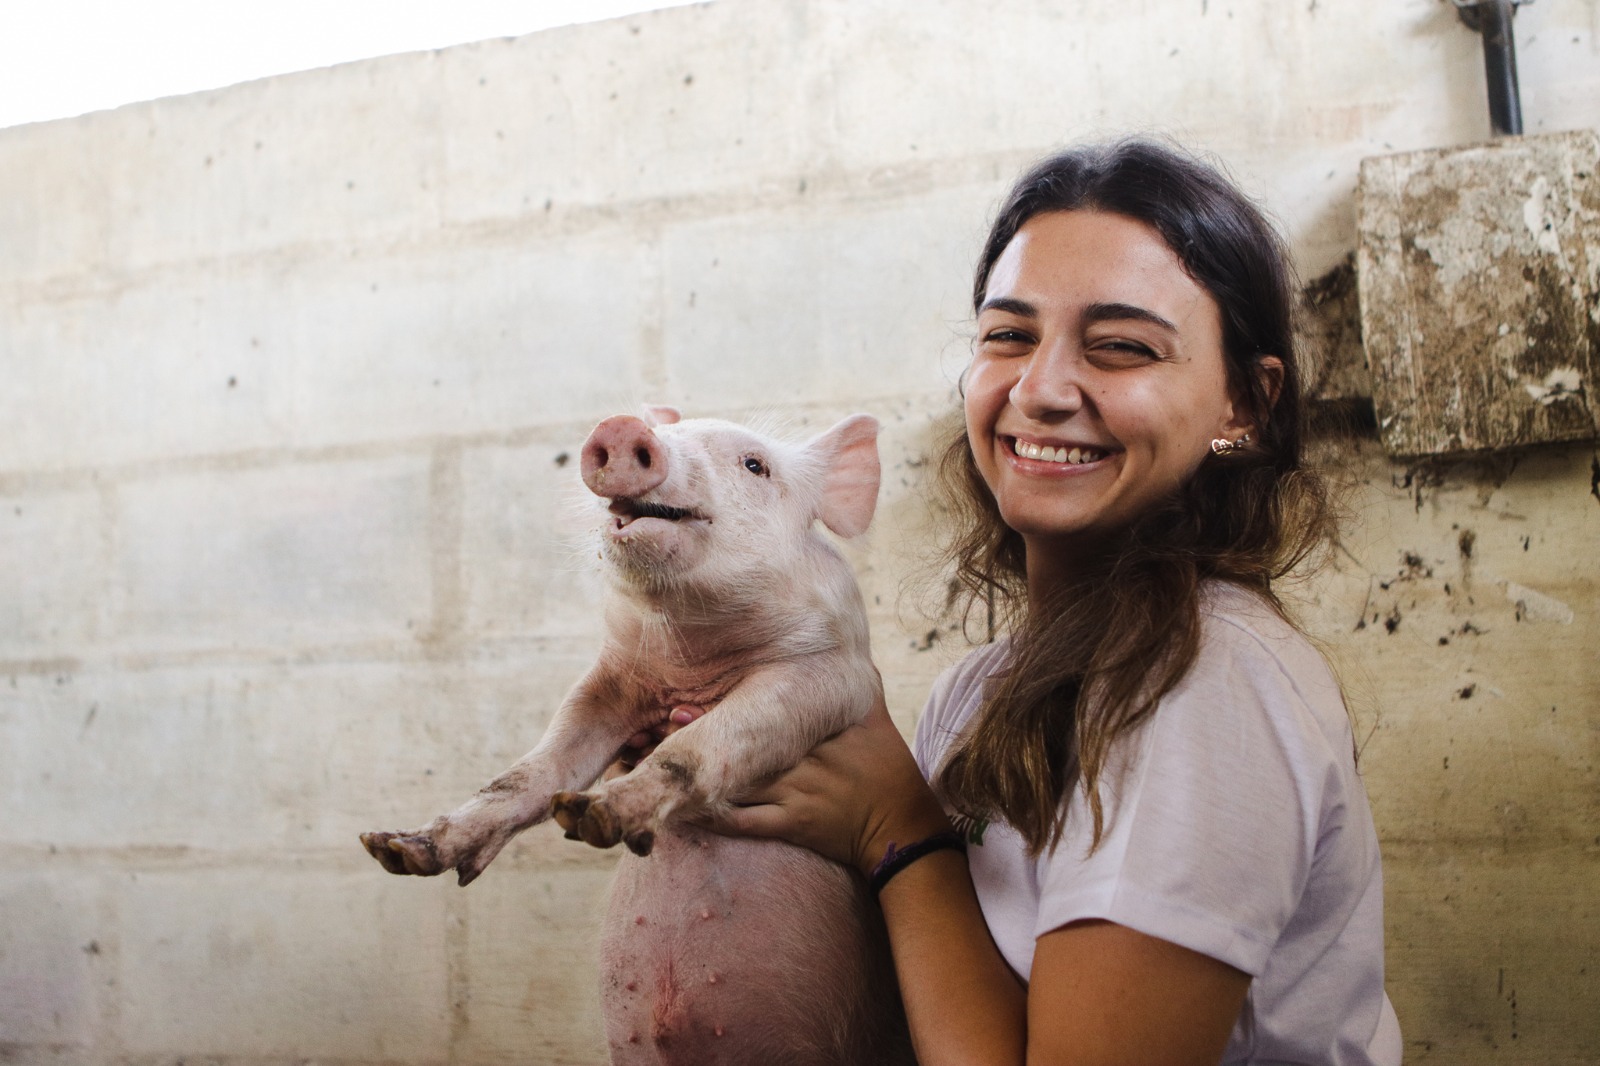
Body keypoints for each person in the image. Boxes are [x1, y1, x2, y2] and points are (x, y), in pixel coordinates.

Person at [643, 138, 1401, 1065]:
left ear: (1244, 400)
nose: (1040, 390)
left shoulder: (1207, 684)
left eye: (1120, 348)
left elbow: (908, 868)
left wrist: (899, 832)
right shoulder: (981, 688)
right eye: (1009, 335)